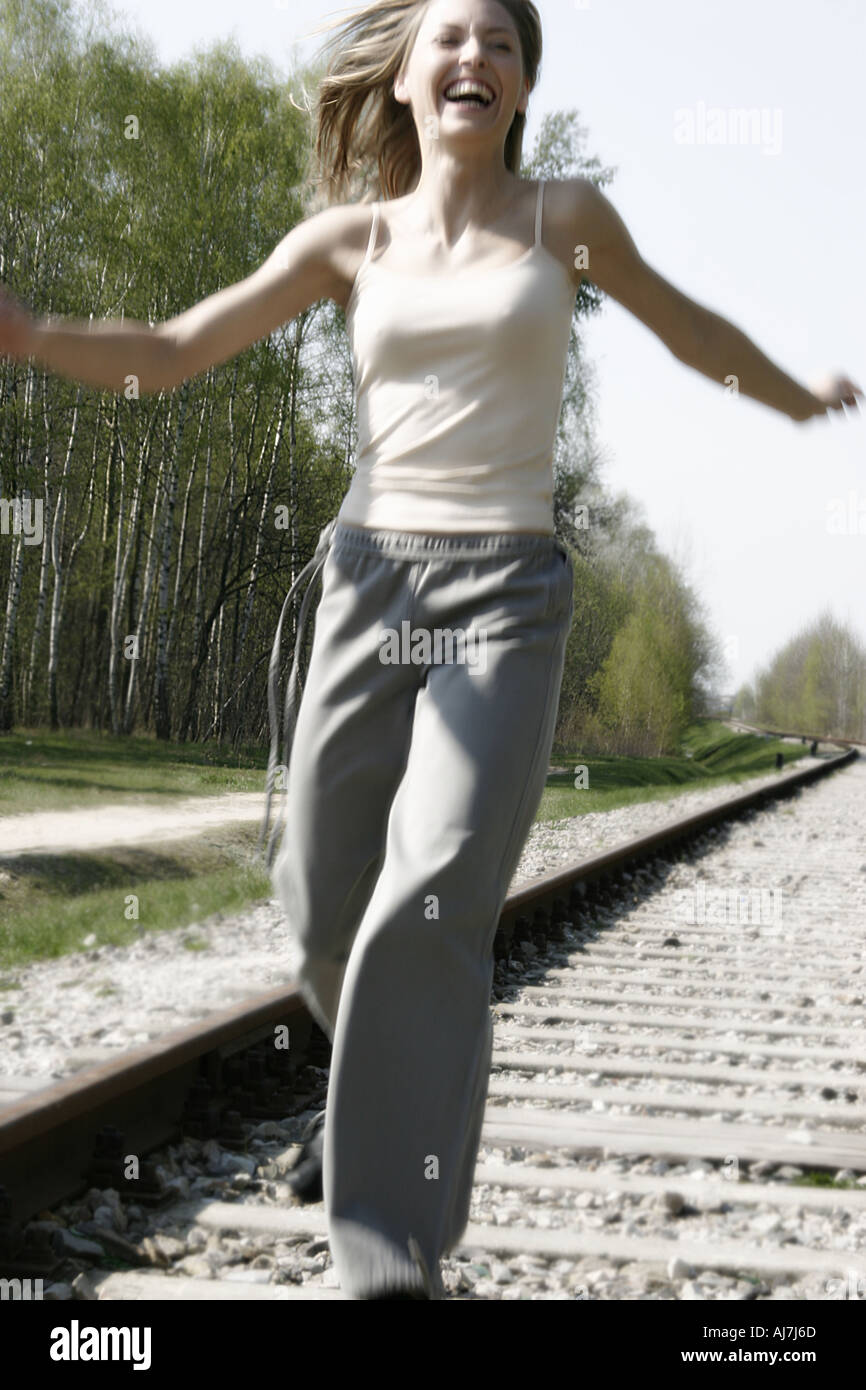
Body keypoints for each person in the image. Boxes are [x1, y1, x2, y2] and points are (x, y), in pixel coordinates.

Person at [1, 0, 861, 1303]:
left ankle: (388, 1248)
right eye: (451, 37)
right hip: (366, 577)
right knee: (318, 903)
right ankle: (378, 1093)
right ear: (401, 77)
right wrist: (29, 336)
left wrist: (794, 393)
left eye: (504, 45)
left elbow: (686, 329)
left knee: (438, 883)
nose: (477, 57)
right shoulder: (348, 240)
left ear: (521, 89)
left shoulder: (561, 219)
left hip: (504, 593)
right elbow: (176, 353)